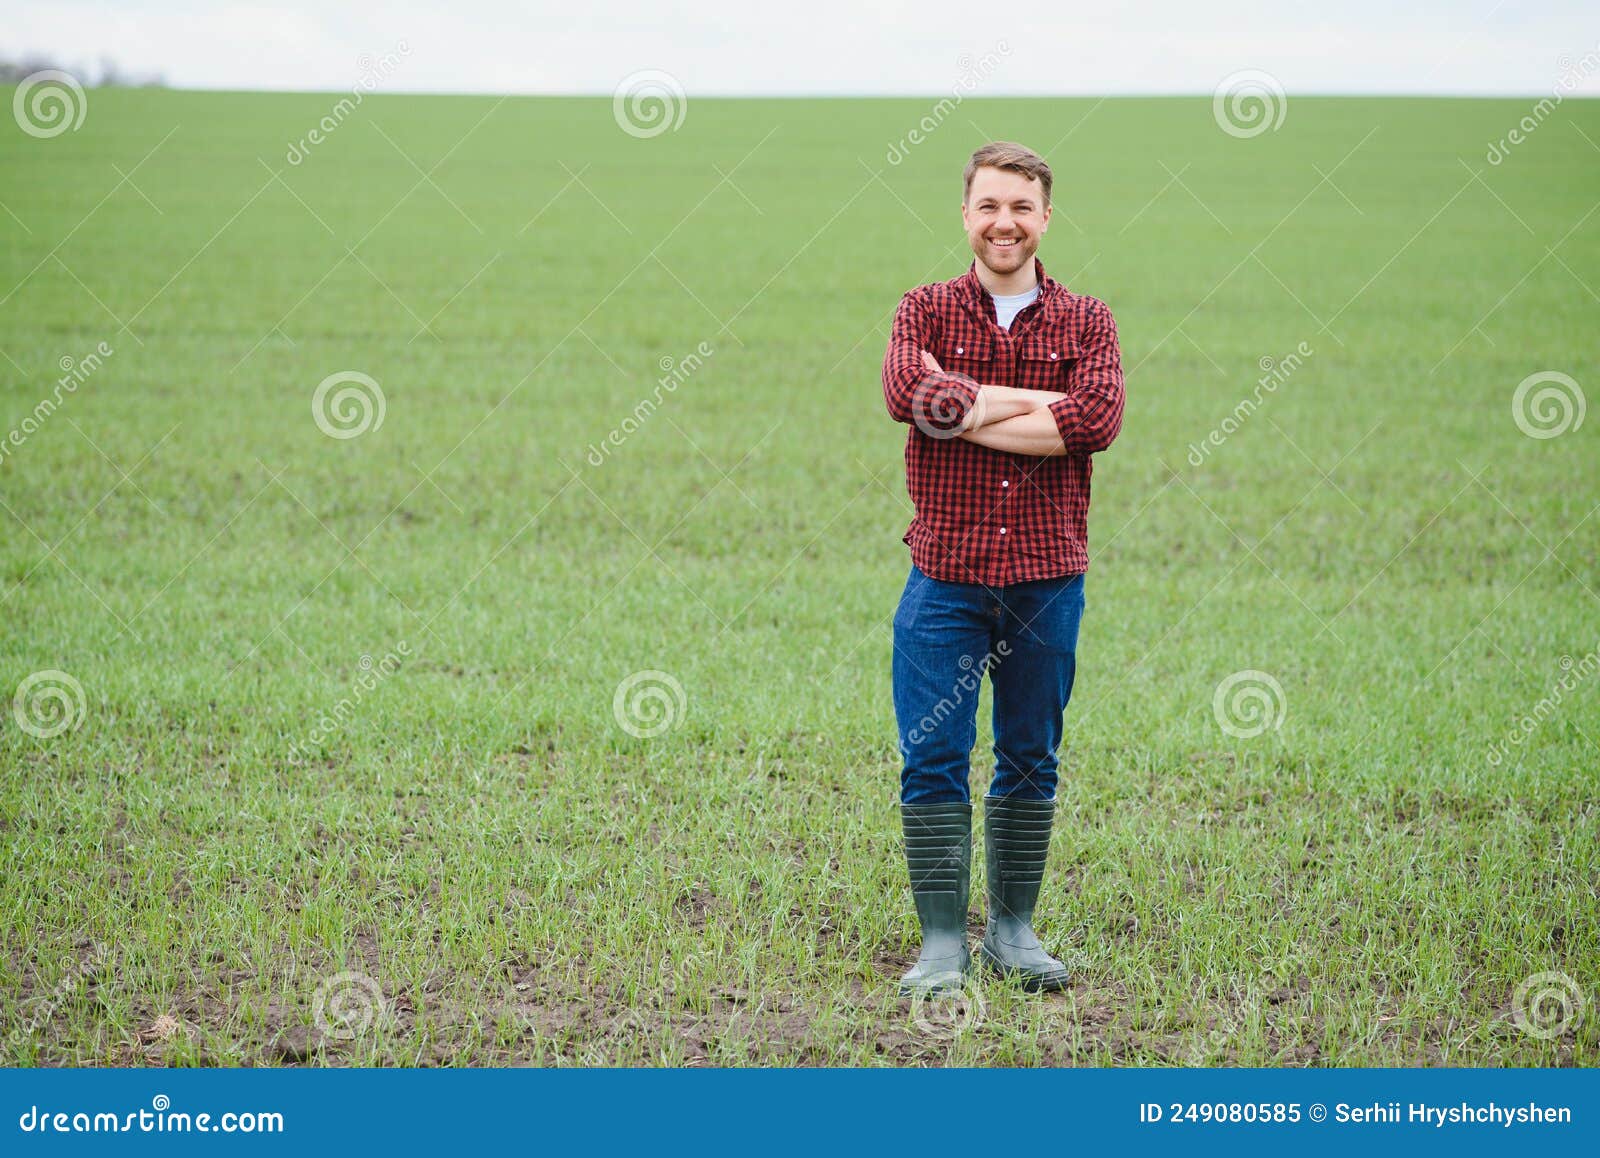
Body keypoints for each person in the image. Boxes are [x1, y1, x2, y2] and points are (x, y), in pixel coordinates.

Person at [880, 141, 1126, 994]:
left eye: (1021, 207)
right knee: (933, 755)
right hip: (944, 578)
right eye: (989, 206)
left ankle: (1012, 932)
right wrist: (1034, 408)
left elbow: (1093, 421)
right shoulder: (924, 309)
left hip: (1046, 579)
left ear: (1046, 217)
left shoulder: (1088, 320)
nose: (1004, 223)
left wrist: (966, 406)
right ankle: (943, 941)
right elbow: (912, 398)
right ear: (966, 215)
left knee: (1030, 755)